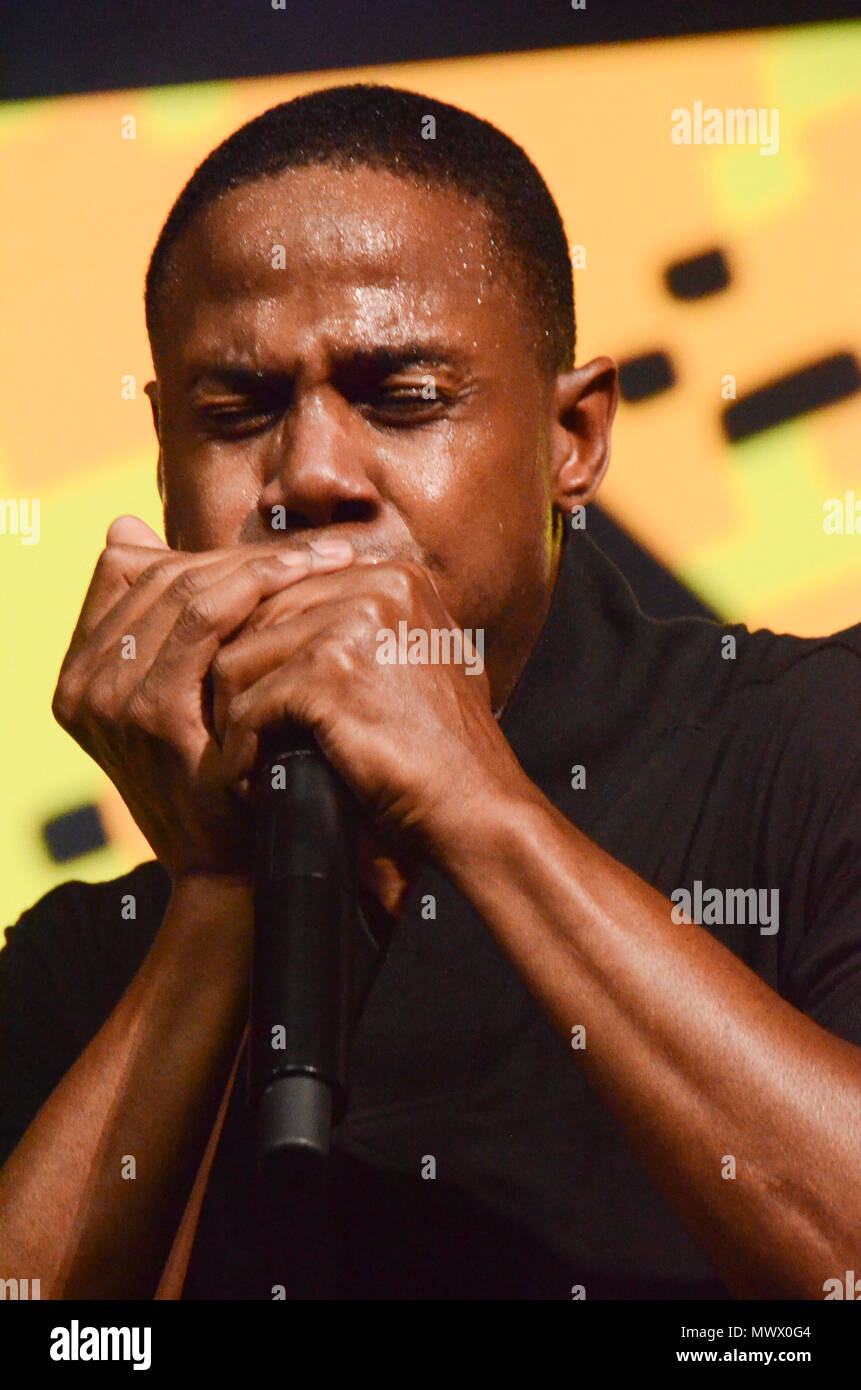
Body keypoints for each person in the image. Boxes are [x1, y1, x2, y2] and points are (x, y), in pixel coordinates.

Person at [1, 83, 859, 1301]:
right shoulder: (93, 962)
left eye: (403, 397)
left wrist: (482, 807)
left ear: (576, 439)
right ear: (161, 458)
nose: (309, 472)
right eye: (235, 413)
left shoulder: (810, 745)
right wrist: (216, 898)